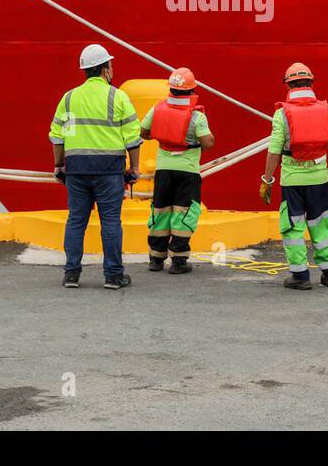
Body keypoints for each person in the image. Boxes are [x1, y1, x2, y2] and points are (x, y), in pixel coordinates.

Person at [49, 44, 142, 289]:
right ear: (104, 70)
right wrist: (134, 168)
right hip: (109, 171)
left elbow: (57, 136)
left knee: (76, 220)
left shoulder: (68, 98)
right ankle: (113, 276)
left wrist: (59, 166)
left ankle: (71, 274)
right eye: (110, 65)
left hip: (76, 170)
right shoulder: (118, 96)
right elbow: (132, 137)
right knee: (110, 222)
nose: (112, 69)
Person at [259, 62, 328, 289]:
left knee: (293, 228)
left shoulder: (282, 114)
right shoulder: (326, 111)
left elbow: (274, 150)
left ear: (288, 85)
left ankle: (300, 277)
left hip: (292, 181)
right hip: (319, 179)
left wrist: (267, 180)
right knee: (321, 226)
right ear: (311, 83)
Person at [139, 67, 215, 274]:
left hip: (163, 169)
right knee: (184, 214)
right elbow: (208, 142)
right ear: (192, 91)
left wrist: (164, 133)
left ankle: (156, 260)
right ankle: (179, 262)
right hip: (187, 171)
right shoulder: (197, 116)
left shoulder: (157, 109)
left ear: (170, 89)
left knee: (160, 211)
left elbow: (143, 132)